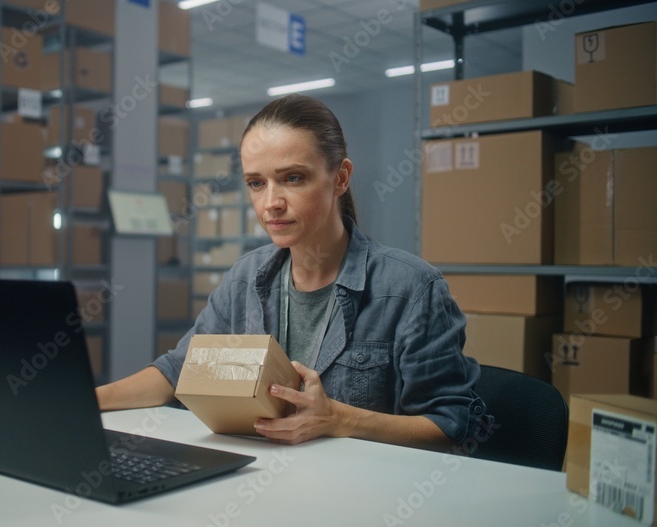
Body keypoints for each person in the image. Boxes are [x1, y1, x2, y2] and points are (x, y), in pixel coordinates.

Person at [96, 94, 488, 450]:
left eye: (292, 178)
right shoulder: (245, 279)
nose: (271, 203)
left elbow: (453, 424)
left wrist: (339, 419)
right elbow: (176, 371)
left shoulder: (411, 289)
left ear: (340, 178)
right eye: (255, 183)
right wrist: (86, 400)